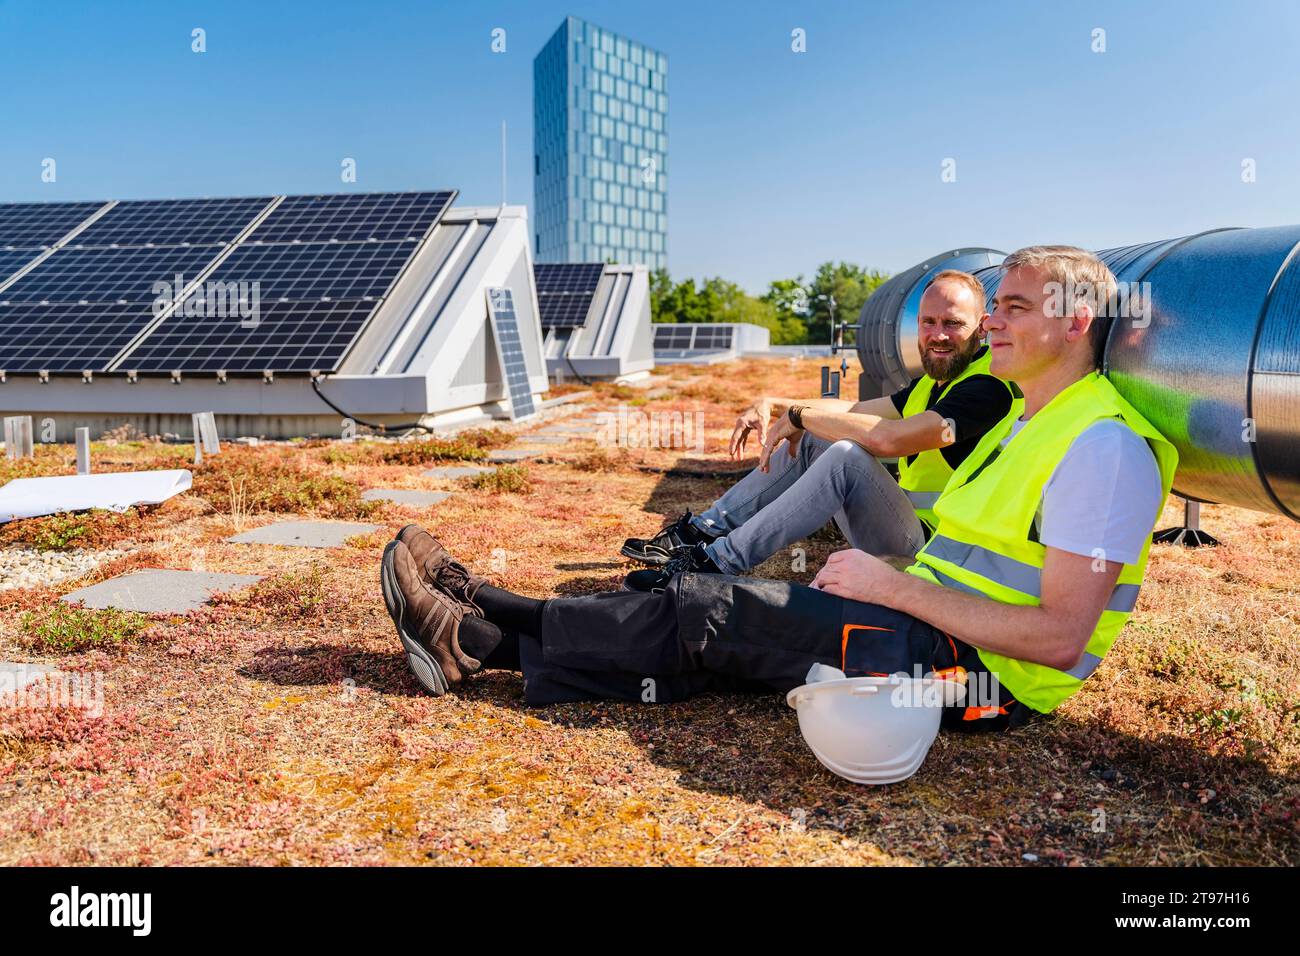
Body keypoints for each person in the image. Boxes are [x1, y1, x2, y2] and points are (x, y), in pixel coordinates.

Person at [379, 246, 1177, 732]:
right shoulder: (1036, 421)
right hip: (937, 631)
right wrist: (894, 579)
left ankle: (483, 628)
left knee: (720, 611)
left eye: (1012, 307)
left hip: (981, 679)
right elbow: (874, 432)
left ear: (1076, 324)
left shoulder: (1101, 447)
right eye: (993, 305)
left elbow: (1058, 641)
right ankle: (482, 630)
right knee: (726, 642)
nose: (991, 323)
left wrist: (891, 586)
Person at [619, 269, 1013, 592]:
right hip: (908, 530)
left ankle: (715, 564)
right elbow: (852, 409)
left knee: (845, 454)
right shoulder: (930, 384)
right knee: (817, 435)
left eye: (953, 324)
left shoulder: (987, 389)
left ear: (982, 328)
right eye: (929, 322)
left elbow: (887, 438)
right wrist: (780, 405)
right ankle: (699, 534)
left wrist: (799, 415)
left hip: (938, 553)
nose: (938, 334)